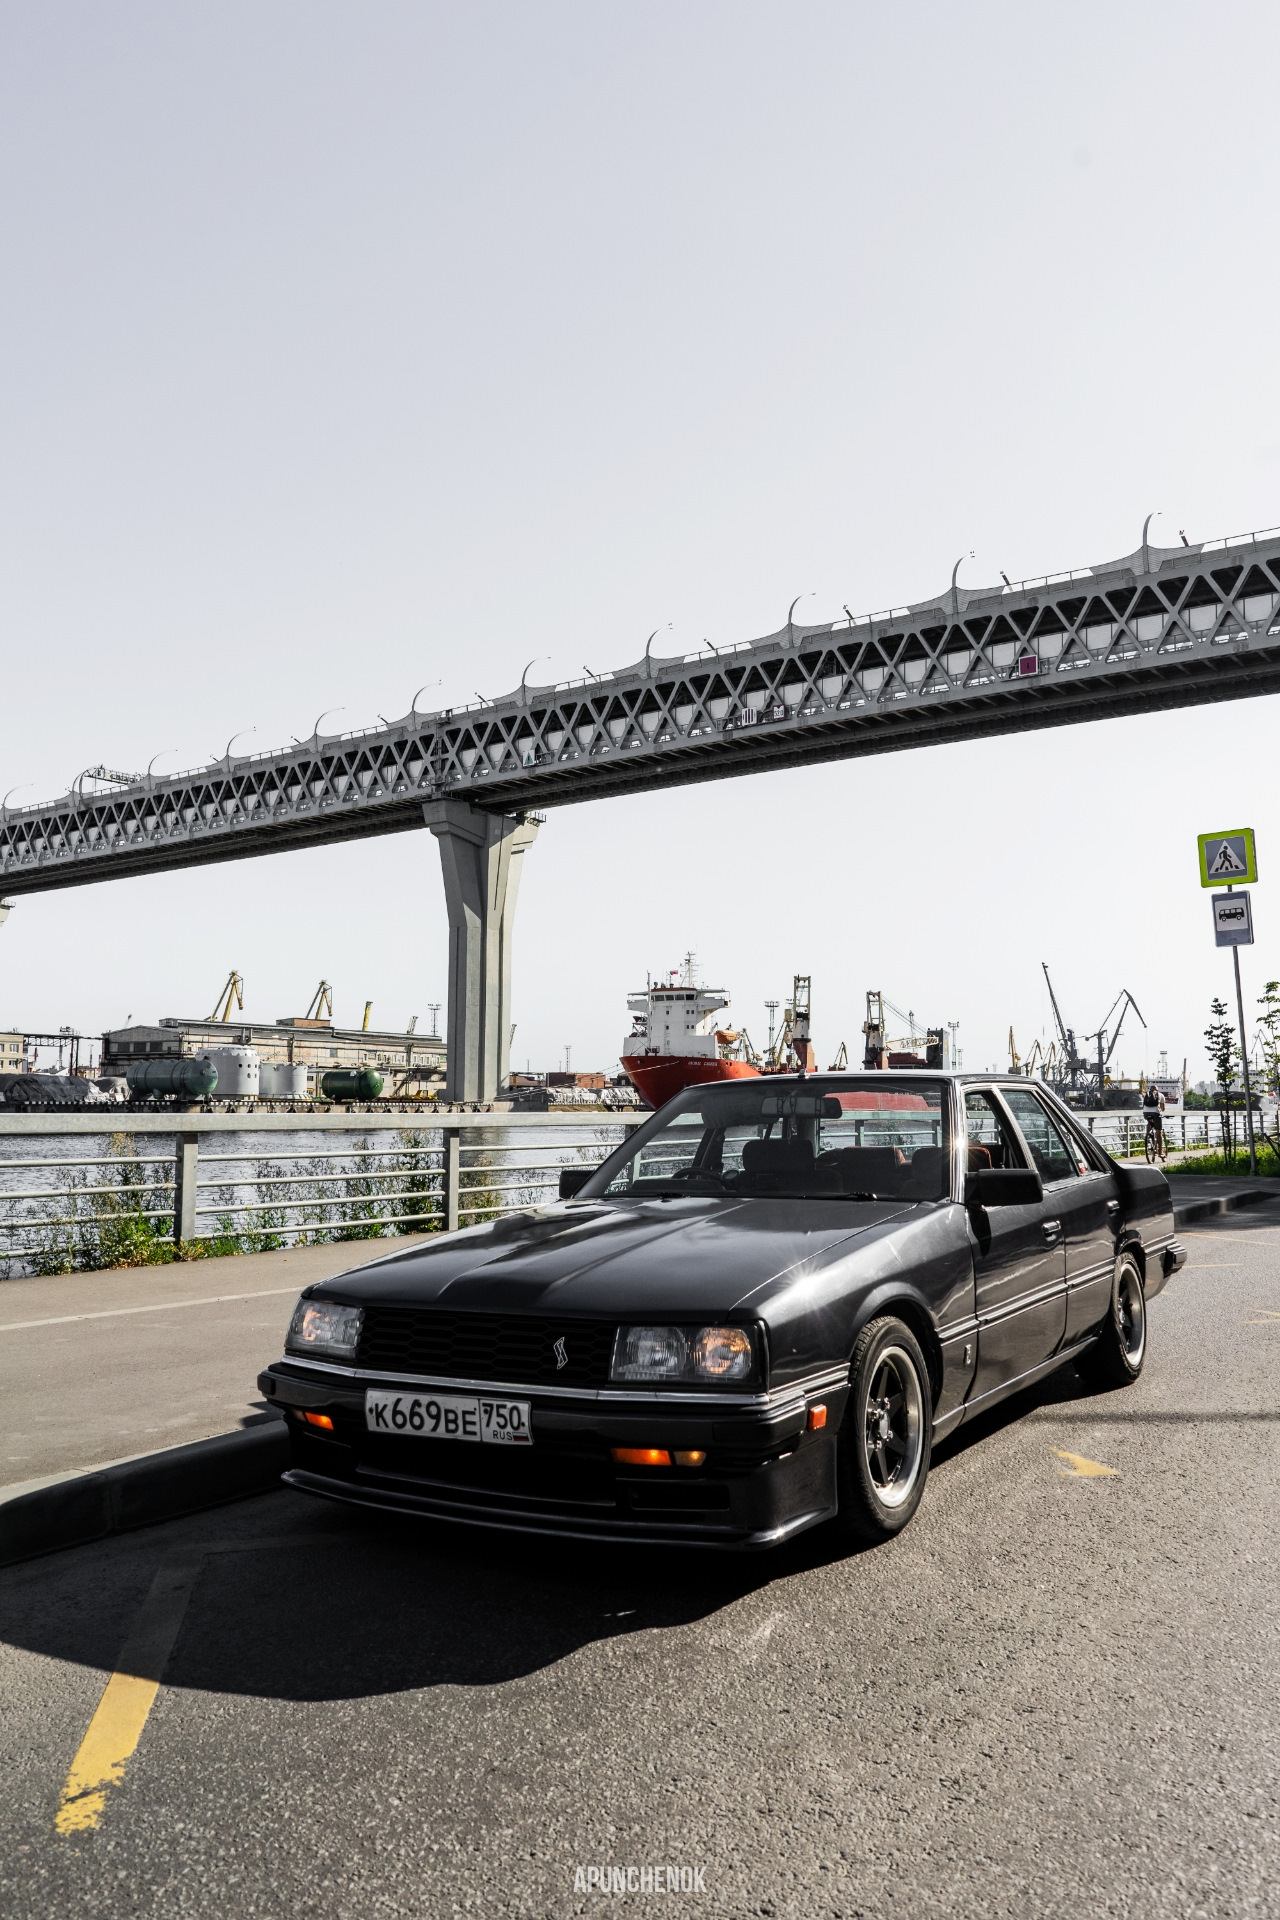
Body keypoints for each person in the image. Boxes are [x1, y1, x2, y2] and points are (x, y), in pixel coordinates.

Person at [1142, 1081, 1166, 1160]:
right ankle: (1160, 1152)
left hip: (1146, 1113)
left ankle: (1148, 1135)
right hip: (1156, 1114)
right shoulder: (1161, 1095)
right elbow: (1163, 1109)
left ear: (1150, 1089)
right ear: (1157, 1090)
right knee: (1159, 1132)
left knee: (1150, 1121)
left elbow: (1143, 1106)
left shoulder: (1146, 1095)